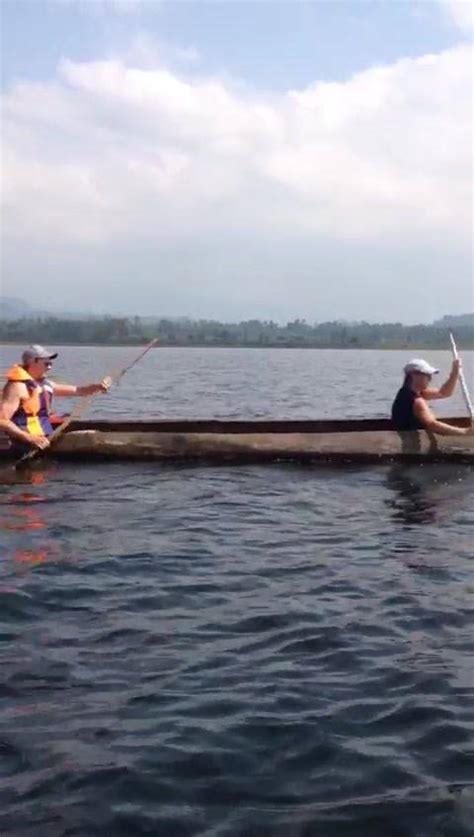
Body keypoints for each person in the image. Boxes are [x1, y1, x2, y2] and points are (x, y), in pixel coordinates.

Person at [0, 345, 111, 450]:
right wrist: (29, 438)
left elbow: (79, 391)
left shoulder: (46, 385)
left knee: (66, 419)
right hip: (22, 441)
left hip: (43, 436)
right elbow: (2, 420)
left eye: (51, 364)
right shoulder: (16, 387)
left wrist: (98, 387)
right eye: (46, 364)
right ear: (33, 362)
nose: (49, 367)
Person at [391, 358, 471, 436]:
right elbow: (432, 425)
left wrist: (455, 373)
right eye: (427, 375)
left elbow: (443, 393)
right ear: (414, 376)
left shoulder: (411, 392)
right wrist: (465, 432)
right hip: (411, 442)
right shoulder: (417, 401)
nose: (430, 379)